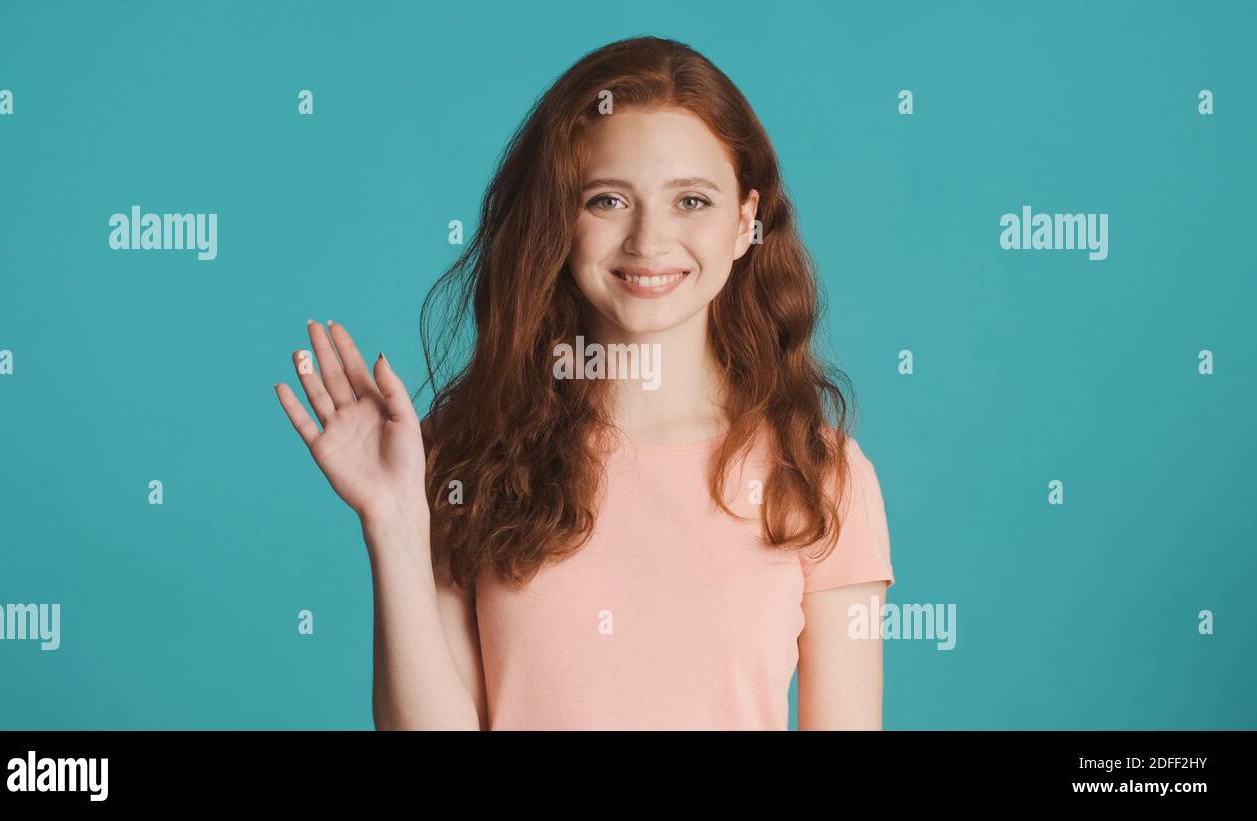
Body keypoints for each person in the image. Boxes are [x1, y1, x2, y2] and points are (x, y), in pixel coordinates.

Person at [273, 35, 894, 730]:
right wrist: (395, 521)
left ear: (746, 221)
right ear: (559, 217)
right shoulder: (467, 456)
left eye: (692, 200)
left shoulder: (822, 476)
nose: (648, 241)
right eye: (607, 200)